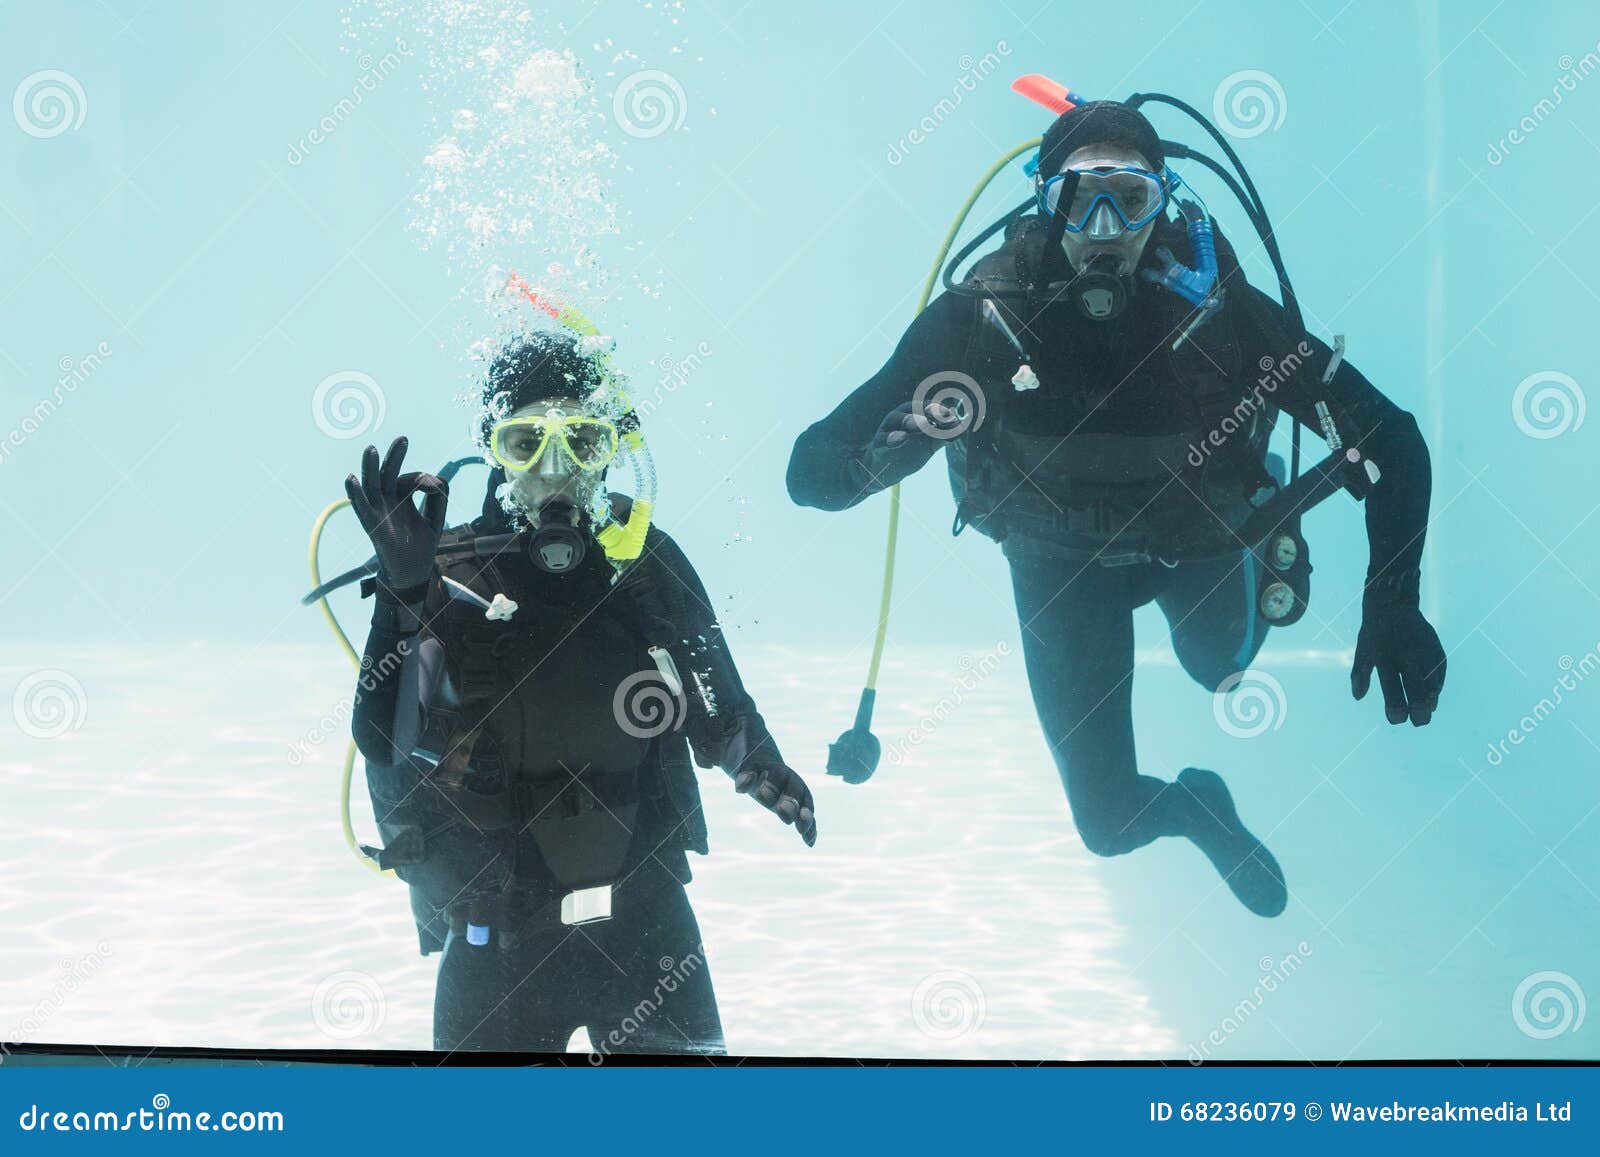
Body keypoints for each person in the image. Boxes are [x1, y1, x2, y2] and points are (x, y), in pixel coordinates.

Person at [786, 98, 1446, 918]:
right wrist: (873, 465)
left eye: (1128, 200)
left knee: (1223, 669)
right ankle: (1197, 807)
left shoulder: (1220, 316)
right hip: (1058, 571)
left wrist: (1391, 601)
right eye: (1079, 197)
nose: (1104, 226)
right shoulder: (980, 320)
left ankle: (1265, 505)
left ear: (1163, 204)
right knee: (1107, 825)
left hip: (1197, 537)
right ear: (1044, 202)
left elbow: (1393, 439)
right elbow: (807, 468)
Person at [346, 332, 816, 1053]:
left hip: (647, 928)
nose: (555, 470)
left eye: (583, 440)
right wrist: (402, 596)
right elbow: (384, 739)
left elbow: (716, 699)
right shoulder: (447, 575)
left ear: (613, 447)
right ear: (494, 449)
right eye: (527, 441)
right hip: (494, 943)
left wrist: (760, 764)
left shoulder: (642, 562)